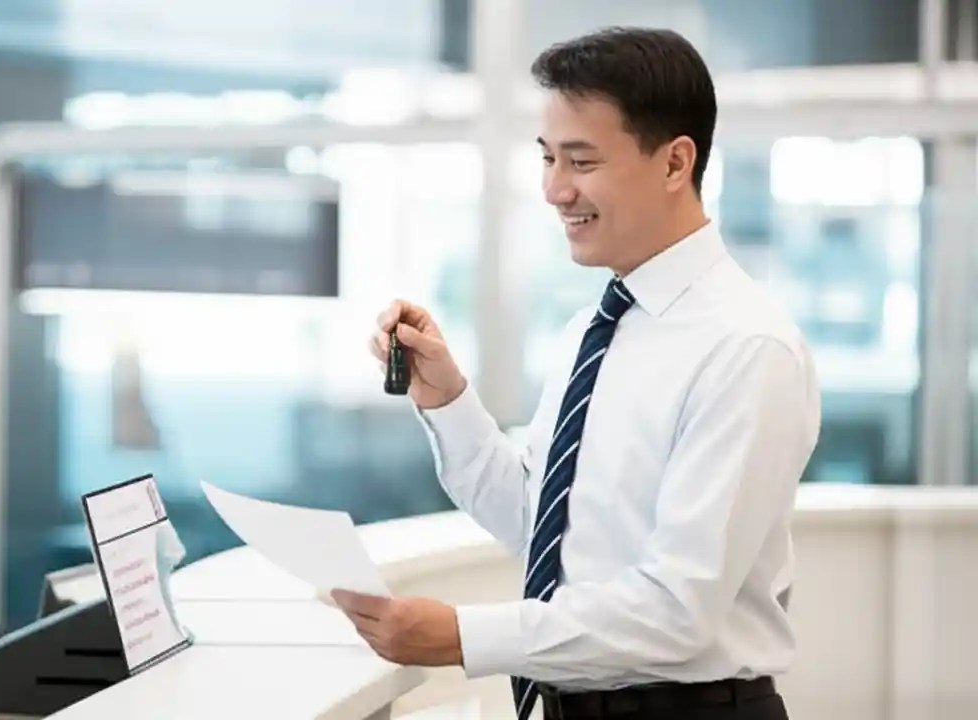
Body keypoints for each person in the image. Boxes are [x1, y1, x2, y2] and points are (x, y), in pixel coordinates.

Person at [331, 27, 820, 720]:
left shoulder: (746, 348)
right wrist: (445, 398)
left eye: (581, 161)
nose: (555, 190)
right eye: (548, 157)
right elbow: (542, 531)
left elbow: (678, 611)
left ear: (676, 162)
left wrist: (465, 635)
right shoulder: (594, 331)